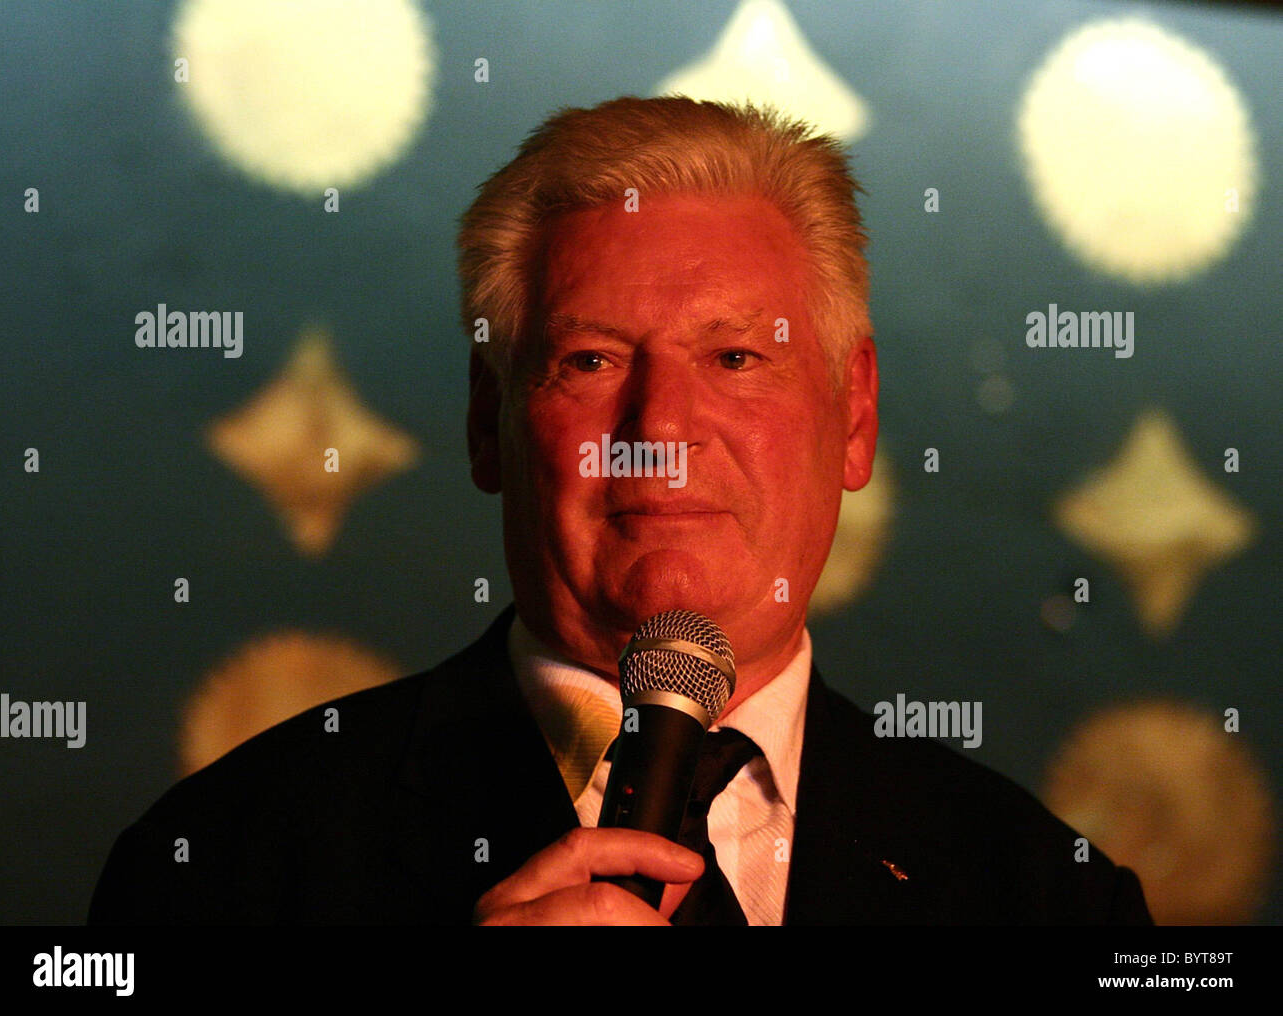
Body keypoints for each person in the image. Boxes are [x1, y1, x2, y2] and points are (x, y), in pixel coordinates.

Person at [89, 95, 1152, 925]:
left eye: (737, 358)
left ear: (857, 414)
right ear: (485, 420)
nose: (660, 424)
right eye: (589, 359)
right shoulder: (224, 867)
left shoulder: (1055, 899)